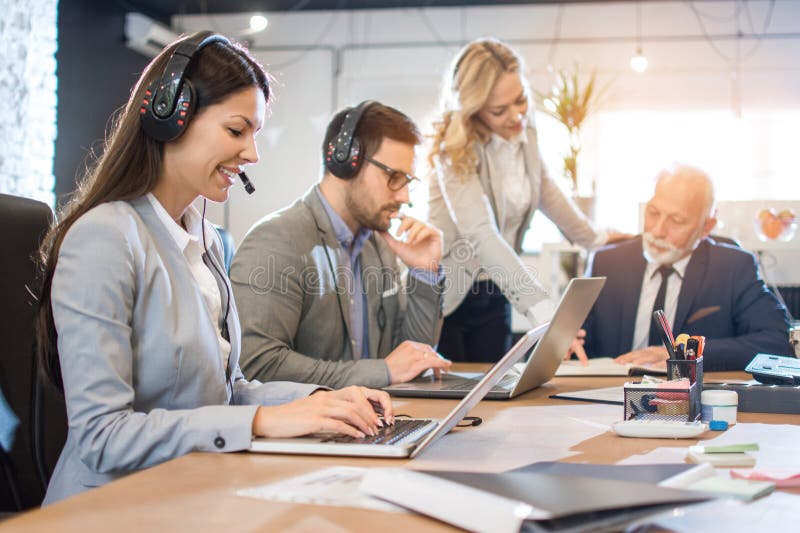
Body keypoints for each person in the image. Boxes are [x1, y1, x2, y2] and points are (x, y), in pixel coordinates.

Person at [35, 33, 393, 505]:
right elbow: (102, 437)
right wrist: (264, 422)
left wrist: (321, 400)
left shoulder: (206, 240)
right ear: (170, 116)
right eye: (236, 130)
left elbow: (229, 392)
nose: (253, 154)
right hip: (110, 507)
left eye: (256, 134)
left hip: (193, 491)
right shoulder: (104, 238)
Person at [231, 101, 450, 390]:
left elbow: (410, 358)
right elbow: (258, 364)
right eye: (393, 177)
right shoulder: (276, 240)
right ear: (346, 163)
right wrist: (380, 372)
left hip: (371, 423)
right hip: (305, 432)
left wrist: (425, 272)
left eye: (408, 180)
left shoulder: (379, 245)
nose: (404, 196)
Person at [427, 38, 620, 362]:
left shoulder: (525, 132)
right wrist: (544, 310)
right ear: (473, 109)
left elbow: (547, 192)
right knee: (447, 398)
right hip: (448, 298)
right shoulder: (454, 148)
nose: (517, 116)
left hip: (498, 289)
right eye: (499, 110)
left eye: (520, 100)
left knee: (494, 396)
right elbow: (481, 233)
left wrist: (596, 239)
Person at [573, 163, 793, 371]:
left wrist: (684, 354)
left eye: (676, 220)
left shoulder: (733, 267)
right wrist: (565, 343)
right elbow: (579, 339)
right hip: (609, 397)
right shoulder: (608, 262)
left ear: (706, 227)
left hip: (691, 398)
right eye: (653, 213)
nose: (657, 230)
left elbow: (776, 341)